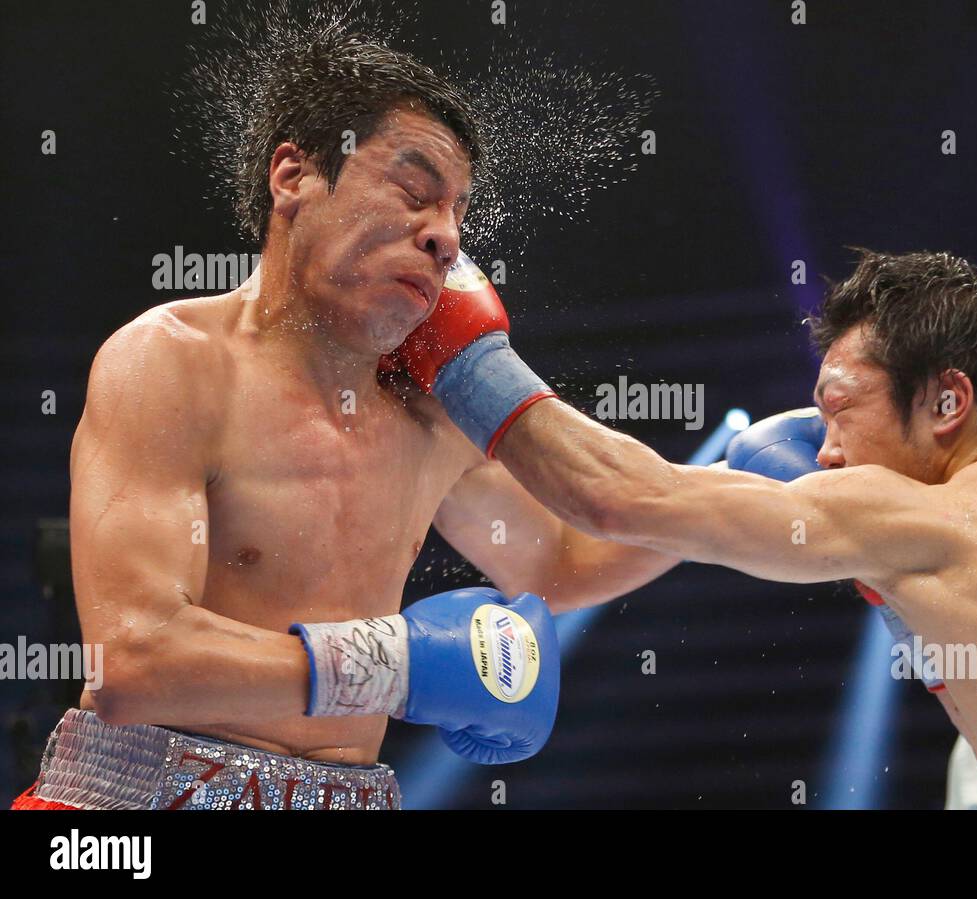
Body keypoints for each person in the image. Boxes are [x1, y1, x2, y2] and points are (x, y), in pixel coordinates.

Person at [11, 30, 677, 811]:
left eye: (456, 211)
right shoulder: (172, 363)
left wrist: (739, 486)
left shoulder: (435, 415)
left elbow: (563, 560)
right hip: (135, 806)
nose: (446, 234)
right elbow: (132, 660)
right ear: (293, 175)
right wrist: (396, 665)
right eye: (412, 189)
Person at [395, 246, 977, 809]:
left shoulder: (929, 515)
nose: (822, 452)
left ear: (947, 401)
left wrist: (461, 358)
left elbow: (618, 496)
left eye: (838, 408)